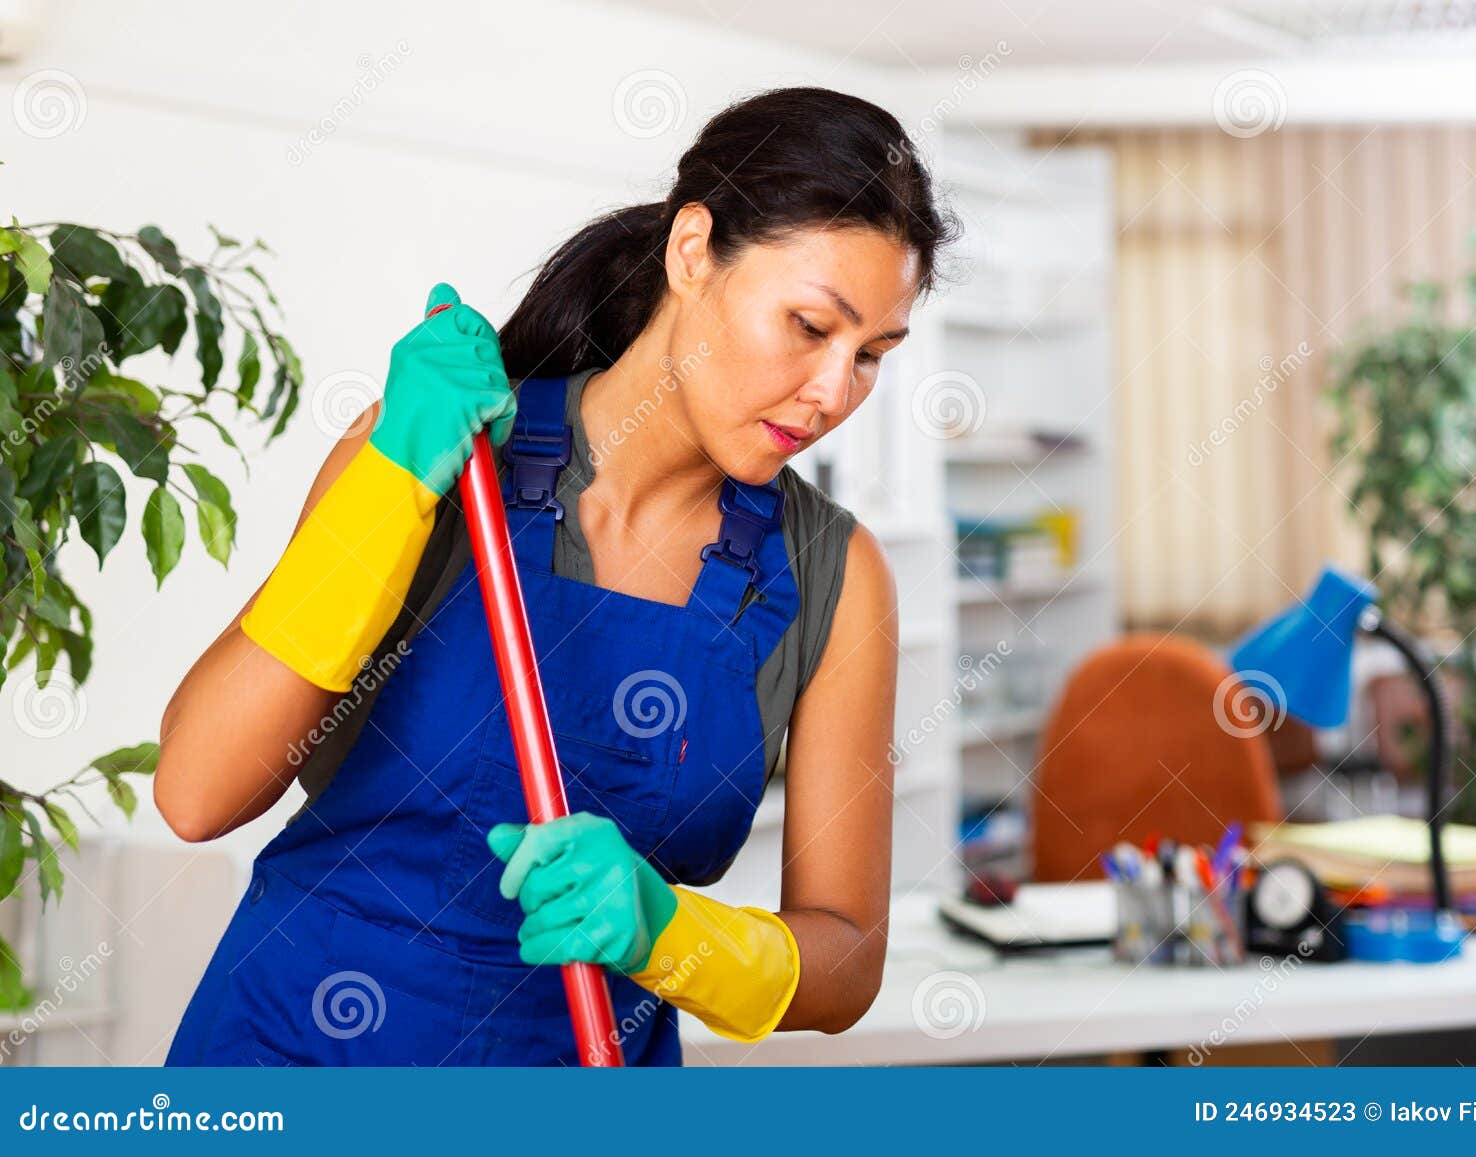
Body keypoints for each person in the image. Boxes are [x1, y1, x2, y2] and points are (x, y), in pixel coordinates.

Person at [155, 86, 957, 1066]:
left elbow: (848, 956)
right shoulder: (447, 458)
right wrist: (396, 474)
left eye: (872, 354)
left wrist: (673, 933)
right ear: (693, 250)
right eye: (807, 326)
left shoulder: (831, 572)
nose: (835, 392)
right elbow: (197, 791)